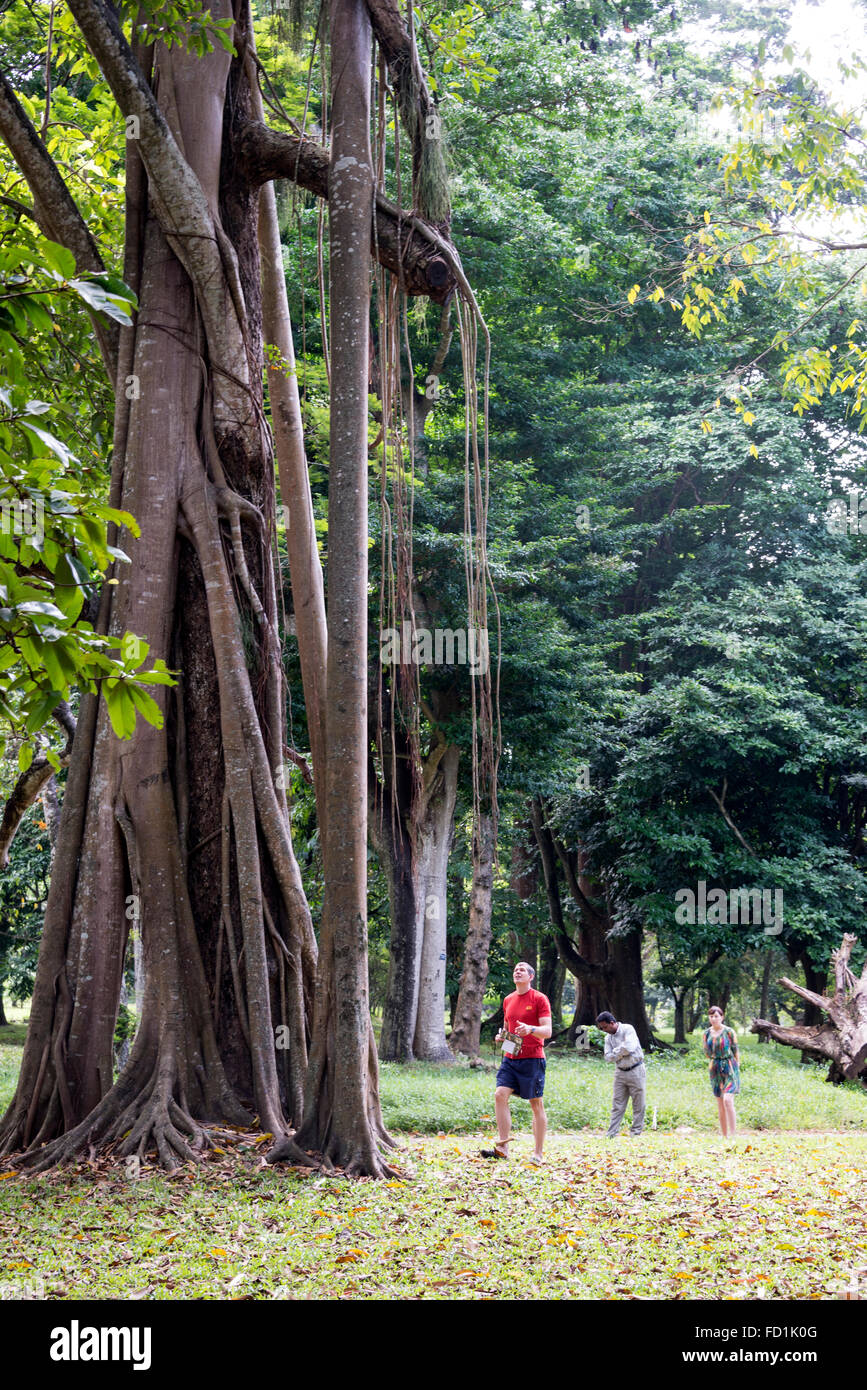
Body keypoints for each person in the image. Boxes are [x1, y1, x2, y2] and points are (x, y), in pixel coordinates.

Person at [481, 962, 551, 1163]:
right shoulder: (508, 999)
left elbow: (547, 1031)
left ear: (531, 976)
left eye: (522, 970)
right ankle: (503, 1148)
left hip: (533, 1058)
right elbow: (506, 1027)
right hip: (511, 1057)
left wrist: (530, 1029)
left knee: (536, 1104)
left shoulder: (539, 998)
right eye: (515, 970)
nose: (517, 971)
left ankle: (538, 1153)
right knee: (499, 1094)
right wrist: (501, 1036)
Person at [596, 1010, 646, 1138]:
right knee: (617, 1104)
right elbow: (607, 1057)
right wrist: (621, 1051)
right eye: (601, 1028)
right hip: (620, 1072)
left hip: (636, 1069)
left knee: (638, 1103)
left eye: (605, 1027)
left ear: (612, 1023)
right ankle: (611, 1133)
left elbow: (630, 1047)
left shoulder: (628, 1029)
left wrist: (616, 1053)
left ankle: (635, 1133)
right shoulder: (608, 1038)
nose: (604, 1030)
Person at [703, 1004, 740, 1137]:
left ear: (722, 1017)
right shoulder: (706, 1033)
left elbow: (736, 1050)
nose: (714, 1019)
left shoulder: (729, 1032)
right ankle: (724, 1136)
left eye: (716, 1016)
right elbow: (706, 1053)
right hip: (714, 1067)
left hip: (730, 1066)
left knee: (728, 1100)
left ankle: (733, 1135)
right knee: (720, 1102)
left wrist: (737, 1067)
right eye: (711, 1016)